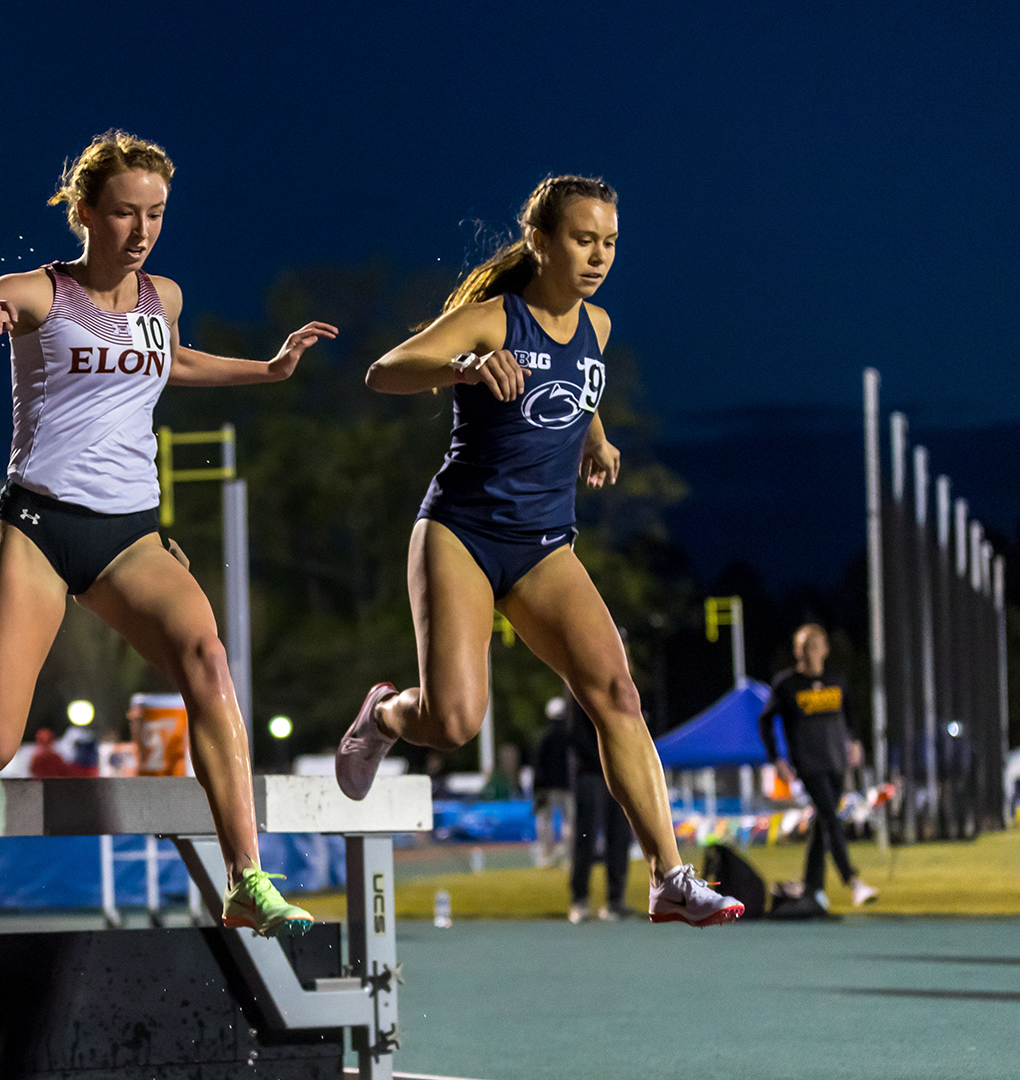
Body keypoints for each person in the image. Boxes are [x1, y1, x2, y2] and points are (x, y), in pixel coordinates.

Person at [0, 130, 337, 937]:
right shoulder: (37, 294)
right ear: (83, 211)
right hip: (40, 530)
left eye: (155, 214)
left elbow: (169, 361)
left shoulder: (165, 298)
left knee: (208, 659)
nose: (141, 230)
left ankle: (246, 879)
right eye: (123, 213)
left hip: (131, 536)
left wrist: (266, 370)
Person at [335, 175, 742, 927]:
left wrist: (596, 436)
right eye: (584, 240)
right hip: (460, 531)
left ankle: (669, 877)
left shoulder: (601, 327)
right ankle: (385, 718)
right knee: (453, 722)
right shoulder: (492, 320)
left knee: (618, 695)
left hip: (545, 543)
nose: (598, 256)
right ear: (542, 242)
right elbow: (383, 372)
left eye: (610, 242)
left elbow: (572, 392)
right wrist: (462, 368)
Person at [759, 623, 878, 909]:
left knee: (825, 823)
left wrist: (856, 742)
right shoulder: (786, 684)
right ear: (796, 651)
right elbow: (765, 721)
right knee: (831, 817)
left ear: (824, 649)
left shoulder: (837, 678)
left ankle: (812, 888)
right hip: (808, 764)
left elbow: (850, 712)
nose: (807, 653)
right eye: (802, 647)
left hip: (836, 760)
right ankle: (853, 881)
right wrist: (777, 758)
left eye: (813, 646)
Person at [564, 690, 635, 922]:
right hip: (592, 773)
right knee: (586, 837)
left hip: (619, 773)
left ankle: (615, 901)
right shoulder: (581, 686)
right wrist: (604, 759)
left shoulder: (623, 689)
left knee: (620, 835)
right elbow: (576, 735)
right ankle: (579, 900)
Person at [531, 697, 574, 868]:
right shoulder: (570, 737)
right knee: (569, 822)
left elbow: (538, 765)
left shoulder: (545, 738)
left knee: (544, 822)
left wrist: (537, 787)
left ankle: (546, 856)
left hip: (547, 787)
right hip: (567, 786)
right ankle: (568, 858)